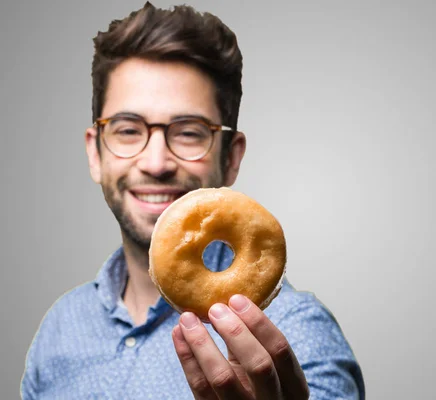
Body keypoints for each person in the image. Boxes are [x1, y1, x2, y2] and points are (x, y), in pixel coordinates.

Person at [21, 3, 365, 399]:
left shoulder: (297, 337)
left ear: (231, 157)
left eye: (188, 132)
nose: (155, 163)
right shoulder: (60, 327)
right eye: (128, 129)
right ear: (95, 153)